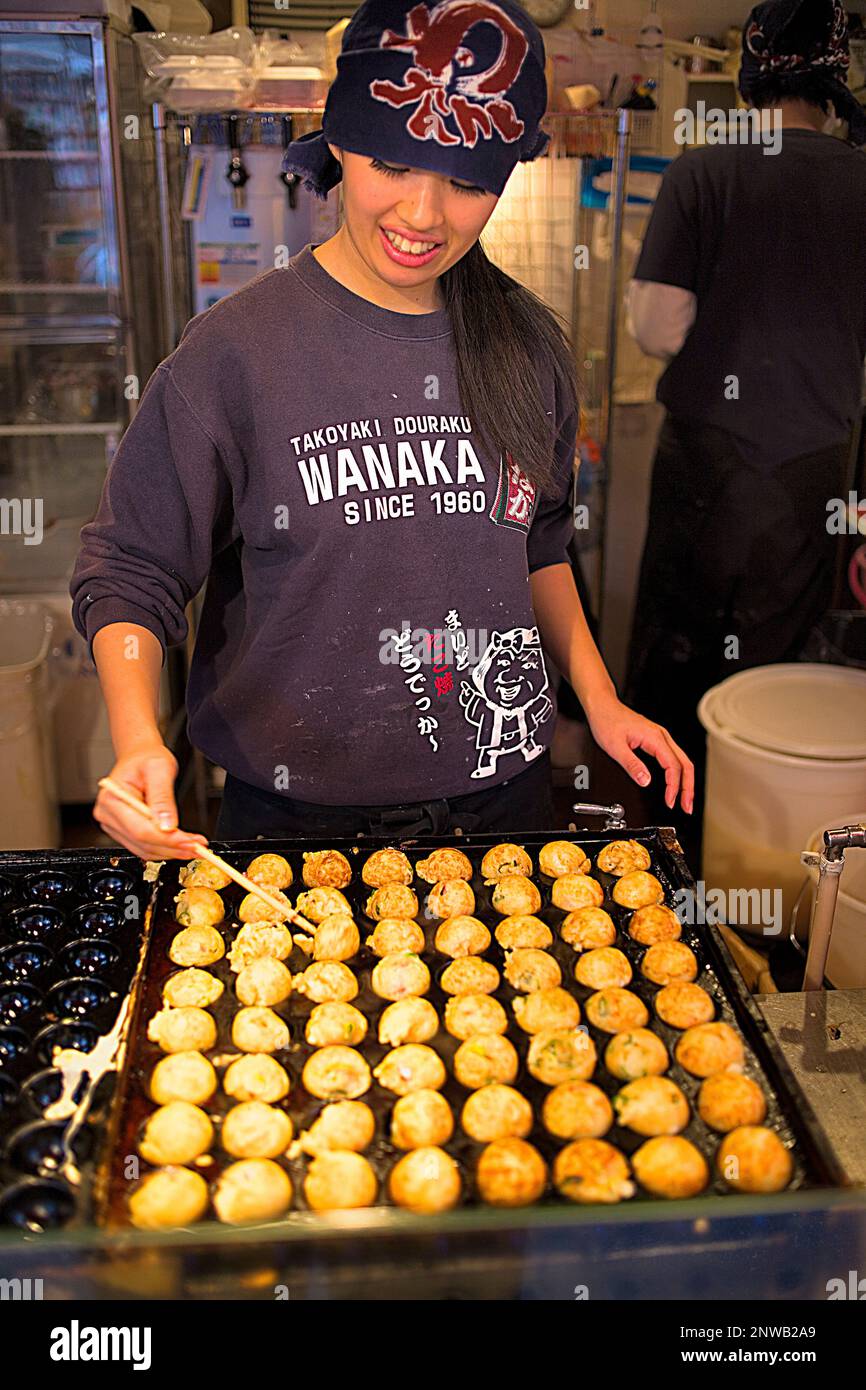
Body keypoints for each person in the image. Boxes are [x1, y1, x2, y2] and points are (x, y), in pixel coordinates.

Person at [71, 0, 692, 861]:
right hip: (294, 818)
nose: (425, 216)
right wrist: (140, 740)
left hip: (502, 796)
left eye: (470, 182)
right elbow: (131, 568)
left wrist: (601, 698)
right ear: (338, 139)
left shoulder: (527, 346)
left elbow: (540, 546)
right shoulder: (237, 353)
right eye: (394, 163)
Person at [625, 0, 866, 854]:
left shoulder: (704, 174)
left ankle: (662, 848)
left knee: (677, 651)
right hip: (814, 469)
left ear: (750, 75)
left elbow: (656, 328)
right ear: (838, 81)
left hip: (706, 460)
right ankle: (764, 852)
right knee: (778, 660)